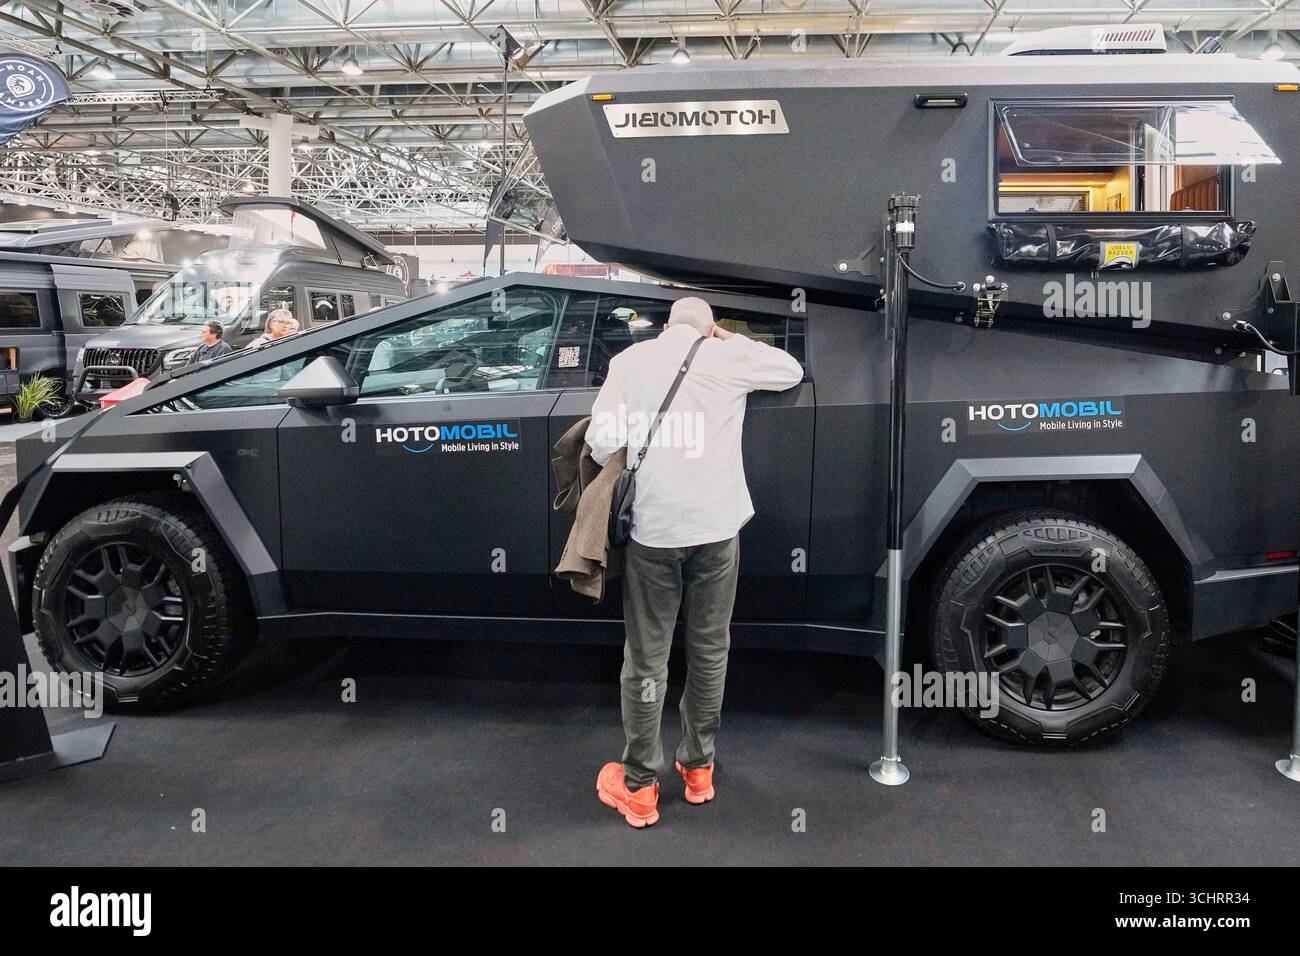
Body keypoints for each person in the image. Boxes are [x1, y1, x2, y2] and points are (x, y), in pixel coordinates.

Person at [585, 296, 804, 827]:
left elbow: (599, 443)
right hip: (717, 529)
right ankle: (698, 768)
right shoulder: (728, 357)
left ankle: (639, 785)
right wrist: (729, 341)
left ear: (663, 327)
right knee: (709, 647)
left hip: (654, 534)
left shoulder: (630, 362)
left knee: (646, 656)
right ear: (710, 329)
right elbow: (790, 369)